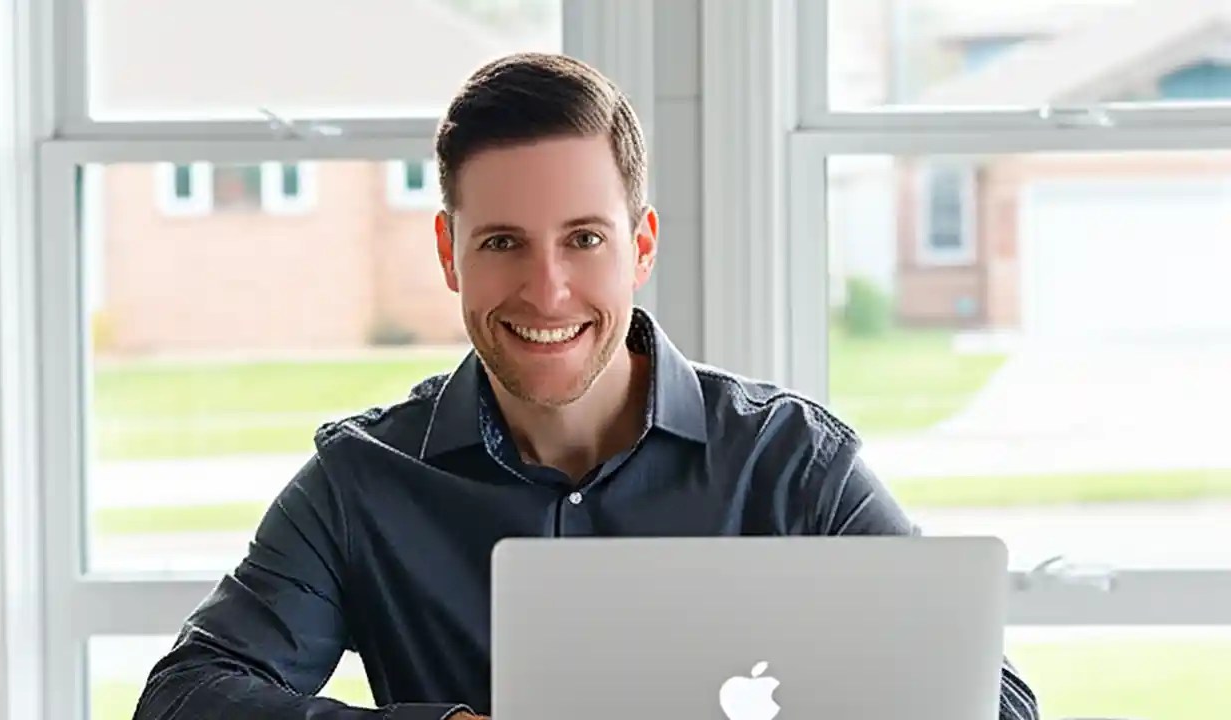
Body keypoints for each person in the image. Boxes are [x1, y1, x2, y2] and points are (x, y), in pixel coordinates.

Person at [132, 52, 1039, 720]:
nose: (547, 290)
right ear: (451, 254)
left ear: (641, 245)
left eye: (583, 239)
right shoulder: (361, 481)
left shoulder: (790, 462)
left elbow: (994, 701)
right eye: (502, 243)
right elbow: (185, 699)